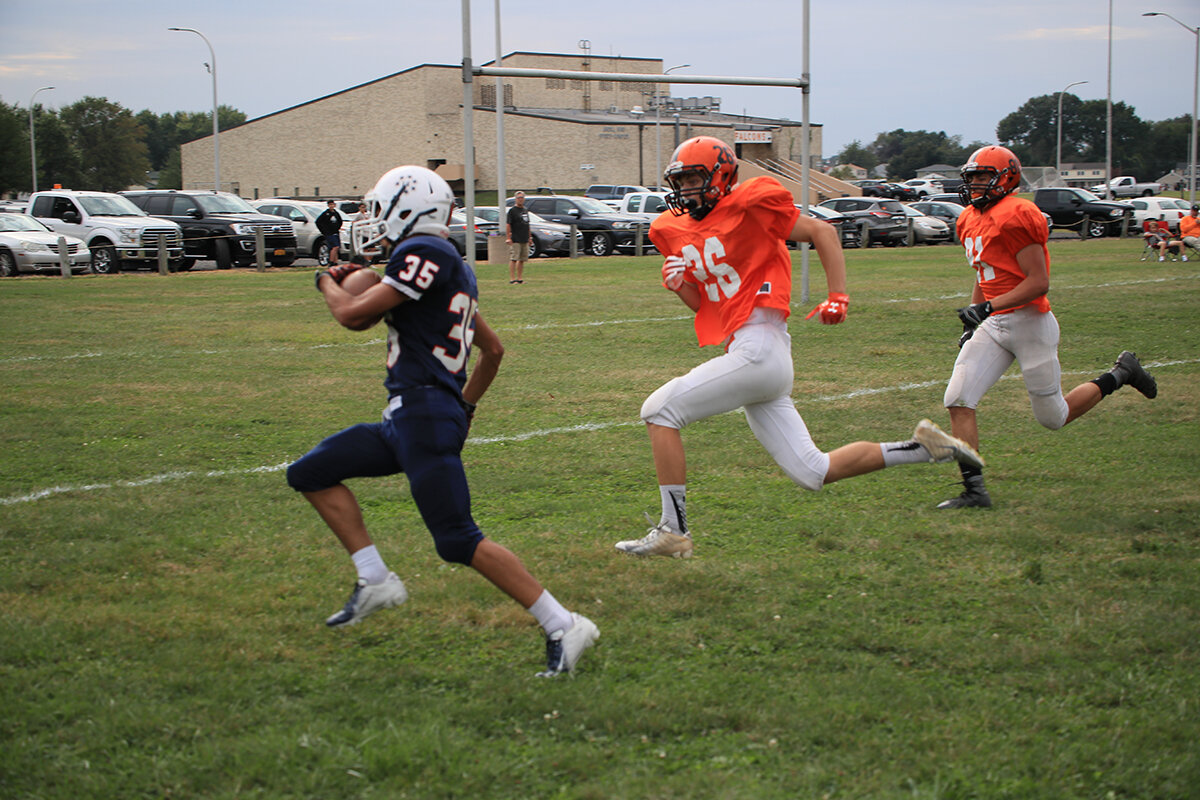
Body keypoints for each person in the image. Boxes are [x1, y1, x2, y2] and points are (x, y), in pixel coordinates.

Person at [288, 166, 598, 676]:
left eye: (381, 207)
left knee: (456, 537)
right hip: (414, 416)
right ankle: (375, 579)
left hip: (423, 413)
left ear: (407, 208)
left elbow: (352, 315)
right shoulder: (448, 262)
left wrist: (326, 279)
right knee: (310, 472)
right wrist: (465, 408)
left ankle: (563, 623)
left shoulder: (425, 252)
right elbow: (492, 350)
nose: (374, 219)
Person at [614, 136, 984, 559]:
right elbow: (708, 307)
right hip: (752, 354)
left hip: (761, 347)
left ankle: (672, 531)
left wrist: (838, 294)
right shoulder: (672, 228)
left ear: (722, 175)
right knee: (813, 470)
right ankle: (926, 449)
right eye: (679, 181)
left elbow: (821, 230)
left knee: (659, 410)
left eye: (695, 178)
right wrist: (680, 286)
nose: (686, 190)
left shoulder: (753, 203)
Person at [936, 145, 1159, 509]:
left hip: (1030, 322)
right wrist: (977, 315)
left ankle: (1121, 373)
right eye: (972, 176)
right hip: (994, 324)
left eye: (982, 176)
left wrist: (988, 307)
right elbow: (984, 273)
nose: (975, 184)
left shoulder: (1018, 213)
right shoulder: (970, 218)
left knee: (1053, 418)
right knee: (958, 399)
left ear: (1006, 177)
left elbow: (1038, 282)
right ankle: (974, 491)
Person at [506, 191, 530, 284]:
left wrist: (529, 237)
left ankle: (520, 278)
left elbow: (527, 224)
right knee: (514, 258)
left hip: (524, 237)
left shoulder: (525, 210)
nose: (521, 199)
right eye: (519, 198)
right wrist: (508, 237)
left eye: (522, 197)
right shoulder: (512, 211)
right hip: (516, 238)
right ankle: (512, 279)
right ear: (516, 199)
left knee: (522, 259)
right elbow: (508, 224)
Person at [316, 199, 344, 267]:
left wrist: (337, 228)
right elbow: (318, 222)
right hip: (329, 233)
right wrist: (324, 231)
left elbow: (340, 221)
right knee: (335, 247)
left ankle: (335, 262)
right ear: (328, 205)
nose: (331, 206)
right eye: (330, 205)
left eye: (333, 204)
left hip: (335, 232)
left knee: (336, 248)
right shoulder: (326, 214)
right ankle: (331, 262)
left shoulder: (336, 213)